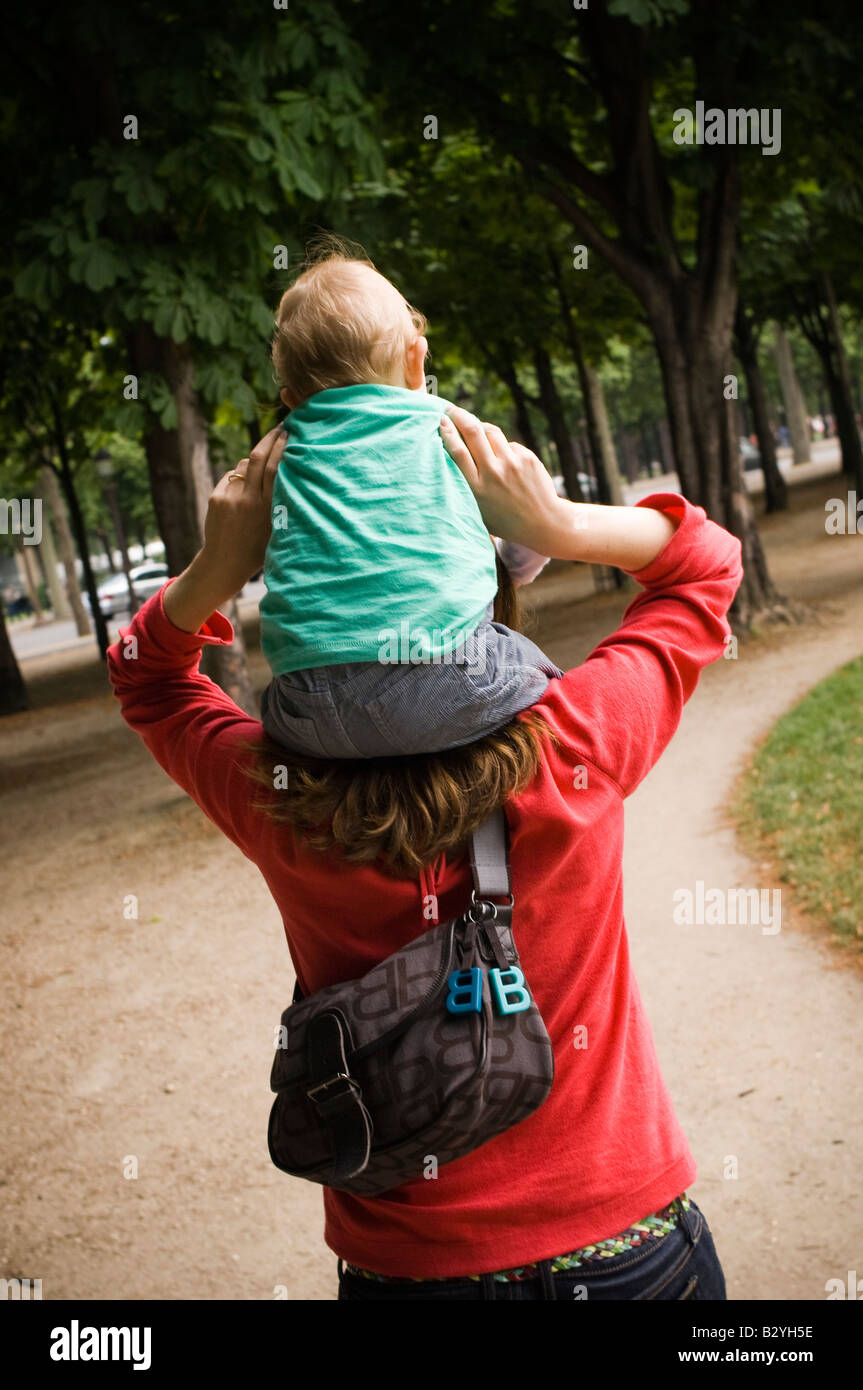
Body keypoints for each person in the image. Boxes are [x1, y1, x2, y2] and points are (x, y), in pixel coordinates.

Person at [107, 406, 743, 1301]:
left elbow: (144, 671)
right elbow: (704, 566)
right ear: (486, 582)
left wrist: (219, 563)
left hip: (407, 1270)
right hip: (622, 1245)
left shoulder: (276, 798)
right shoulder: (574, 743)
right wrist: (556, 520)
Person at [259, 246, 560, 760]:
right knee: (543, 682)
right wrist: (517, 563)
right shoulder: (440, 424)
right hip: (440, 687)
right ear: (416, 361)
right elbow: (528, 525)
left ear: (290, 399)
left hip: (301, 711)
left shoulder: (281, 452)